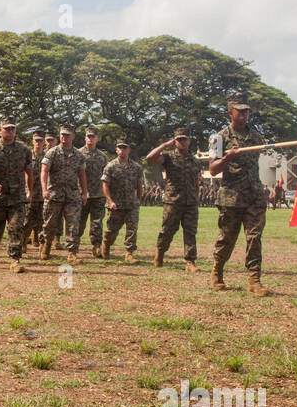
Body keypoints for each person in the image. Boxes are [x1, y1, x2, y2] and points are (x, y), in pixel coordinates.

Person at [209, 95, 271, 295]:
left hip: (254, 196)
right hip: (231, 197)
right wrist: (229, 157)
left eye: (246, 111)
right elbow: (213, 169)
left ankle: (254, 280)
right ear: (230, 112)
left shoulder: (255, 136)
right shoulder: (218, 138)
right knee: (227, 238)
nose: (244, 114)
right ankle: (217, 272)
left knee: (254, 237)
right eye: (239, 111)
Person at [147, 127, 201, 271]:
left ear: (189, 140)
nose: (182, 142)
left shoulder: (195, 160)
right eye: (179, 139)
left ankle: (190, 261)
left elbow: (196, 181)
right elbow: (150, 158)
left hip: (191, 202)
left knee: (190, 231)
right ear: (175, 141)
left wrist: (196, 196)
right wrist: (165, 145)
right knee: (168, 230)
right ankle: (159, 253)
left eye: (185, 139)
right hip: (173, 200)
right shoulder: (168, 156)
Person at [0, 119, 32, 272]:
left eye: (12, 129)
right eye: (7, 129)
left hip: (17, 197)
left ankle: (15, 260)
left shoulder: (24, 150)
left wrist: (30, 190)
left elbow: (29, 172)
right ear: (0, 130)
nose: (10, 131)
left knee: (16, 227)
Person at [40, 125, 87, 263]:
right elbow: (44, 171)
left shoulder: (79, 155)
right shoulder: (52, 153)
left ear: (73, 136)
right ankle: (46, 246)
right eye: (62, 134)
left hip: (72, 196)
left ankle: (72, 253)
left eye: (67, 135)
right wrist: (44, 189)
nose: (64, 137)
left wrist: (84, 193)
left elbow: (82, 175)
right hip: (54, 194)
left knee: (73, 225)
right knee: (49, 224)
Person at [101, 139, 144, 262]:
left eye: (125, 147)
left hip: (131, 204)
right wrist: (110, 201)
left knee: (132, 229)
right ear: (116, 150)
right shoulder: (110, 166)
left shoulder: (136, 167)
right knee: (112, 230)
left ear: (129, 150)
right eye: (120, 147)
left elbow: (139, 185)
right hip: (116, 205)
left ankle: (129, 253)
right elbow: (105, 185)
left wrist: (138, 201)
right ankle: (106, 245)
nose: (122, 150)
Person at [77, 127, 108, 258]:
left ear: (97, 139)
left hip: (98, 195)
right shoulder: (78, 154)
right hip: (81, 194)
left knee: (97, 223)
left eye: (93, 136)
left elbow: (106, 176)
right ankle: (75, 244)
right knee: (78, 222)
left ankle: (96, 246)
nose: (90, 139)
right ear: (85, 138)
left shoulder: (102, 156)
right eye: (88, 136)